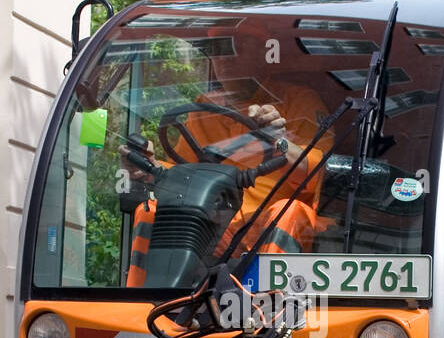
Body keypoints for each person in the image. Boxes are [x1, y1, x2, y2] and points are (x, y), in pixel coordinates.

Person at [120, 82, 333, 287]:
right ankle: (141, 307)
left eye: (234, 47)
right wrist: (151, 169)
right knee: (151, 210)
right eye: (219, 48)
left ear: (259, 47)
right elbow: (183, 173)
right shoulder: (204, 106)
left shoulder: (299, 101)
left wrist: (280, 141)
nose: (224, 58)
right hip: (214, 226)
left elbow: (321, 173)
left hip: (269, 228)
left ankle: (272, 310)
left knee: (289, 211)